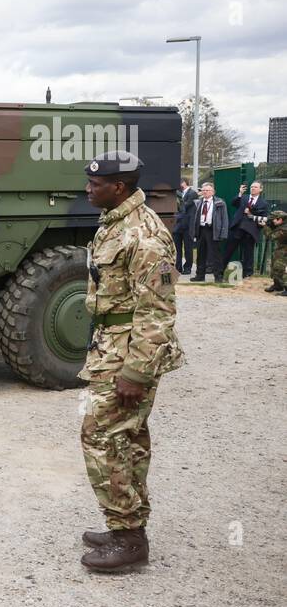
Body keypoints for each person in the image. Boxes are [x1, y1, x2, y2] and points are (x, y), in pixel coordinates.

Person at [78, 150, 184, 572]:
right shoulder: (116, 222)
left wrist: (137, 371)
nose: (88, 189)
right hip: (112, 343)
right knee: (127, 438)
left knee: (103, 437)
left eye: (95, 184)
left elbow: (157, 309)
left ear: (118, 188)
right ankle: (129, 528)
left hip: (129, 351)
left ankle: (127, 537)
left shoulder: (144, 235)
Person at [224, 181, 269, 278]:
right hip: (237, 228)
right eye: (252, 187)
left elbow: (264, 217)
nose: (253, 188)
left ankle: (247, 273)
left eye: (255, 187)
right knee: (228, 250)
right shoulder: (244, 197)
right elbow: (233, 203)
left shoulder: (263, 203)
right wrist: (240, 193)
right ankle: (220, 271)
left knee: (248, 253)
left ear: (261, 189)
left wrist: (255, 220)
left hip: (250, 231)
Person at [189, 182, 228, 282]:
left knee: (216, 255)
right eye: (203, 190)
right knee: (200, 254)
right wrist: (194, 232)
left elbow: (224, 219)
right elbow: (195, 218)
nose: (205, 192)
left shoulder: (220, 203)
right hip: (201, 230)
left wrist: (223, 233)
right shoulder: (198, 202)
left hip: (213, 230)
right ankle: (200, 275)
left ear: (213, 192)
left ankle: (218, 276)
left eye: (207, 190)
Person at [172, 179, 197, 274]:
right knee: (177, 249)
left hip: (187, 226)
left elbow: (183, 207)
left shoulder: (192, 193)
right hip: (177, 225)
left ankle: (187, 268)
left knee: (188, 248)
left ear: (184, 183)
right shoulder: (177, 194)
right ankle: (178, 267)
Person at [260, 209, 287, 294]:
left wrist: (265, 226)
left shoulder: (285, 228)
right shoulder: (282, 225)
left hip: (285, 250)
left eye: (273, 219)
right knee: (275, 266)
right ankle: (278, 285)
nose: (272, 221)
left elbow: (272, 236)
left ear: (280, 219)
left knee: (282, 268)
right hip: (281, 249)